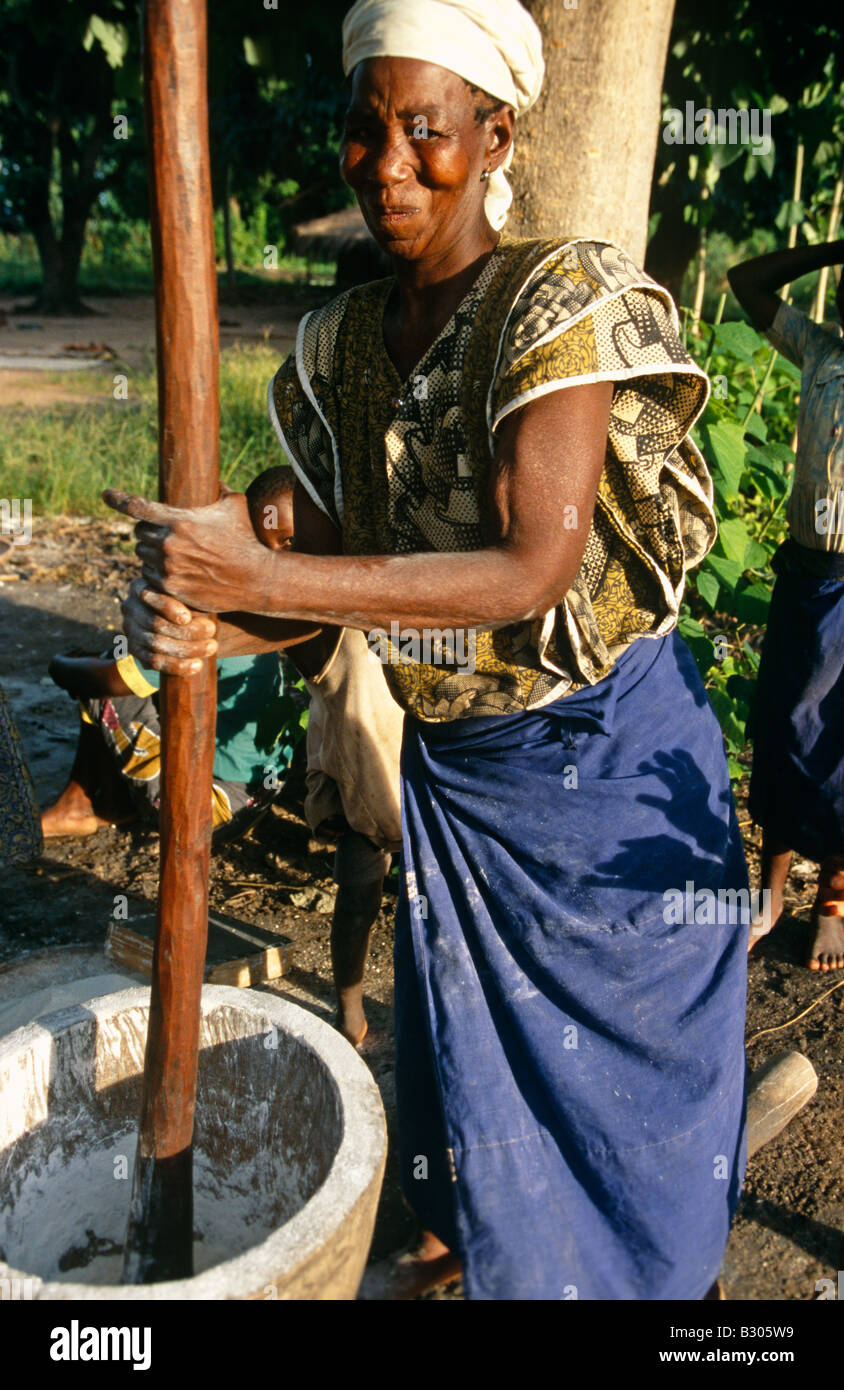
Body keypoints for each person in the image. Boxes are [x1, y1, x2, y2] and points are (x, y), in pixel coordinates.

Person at [107, 0, 748, 1301]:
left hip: (603, 774)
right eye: (364, 130)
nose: (388, 164)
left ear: (495, 131)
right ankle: (481, 1246)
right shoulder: (346, 342)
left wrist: (262, 572)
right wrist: (202, 609)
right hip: (467, 780)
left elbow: (532, 564)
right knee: (469, 1055)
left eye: (426, 131)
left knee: (622, 1104)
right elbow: (338, 566)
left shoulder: (554, 298)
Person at [41, 487, 305, 842]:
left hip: (206, 813)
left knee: (101, 681)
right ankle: (108, 801)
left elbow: (110, 681)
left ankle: (80, 805)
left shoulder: (206, 621)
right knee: (132, 669)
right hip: (257, 798)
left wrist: (60, 665)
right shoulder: (265, 612)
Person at [247, 467, 404, 1047]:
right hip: (360, 780)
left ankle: (417, 1010)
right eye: (272, 548)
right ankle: (350, 1010)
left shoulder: (367, 585)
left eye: (294, 541)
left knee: (423, 904)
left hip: (416, 770)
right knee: (358, 900)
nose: (286, 559)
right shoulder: (308, 623)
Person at [728, 240, 844, 971]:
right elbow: (746, 280)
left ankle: (833, 899)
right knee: (780, 724)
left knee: (837, 743)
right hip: (804, 569)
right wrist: (834, 248)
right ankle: (770, 893)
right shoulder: (820, 347)